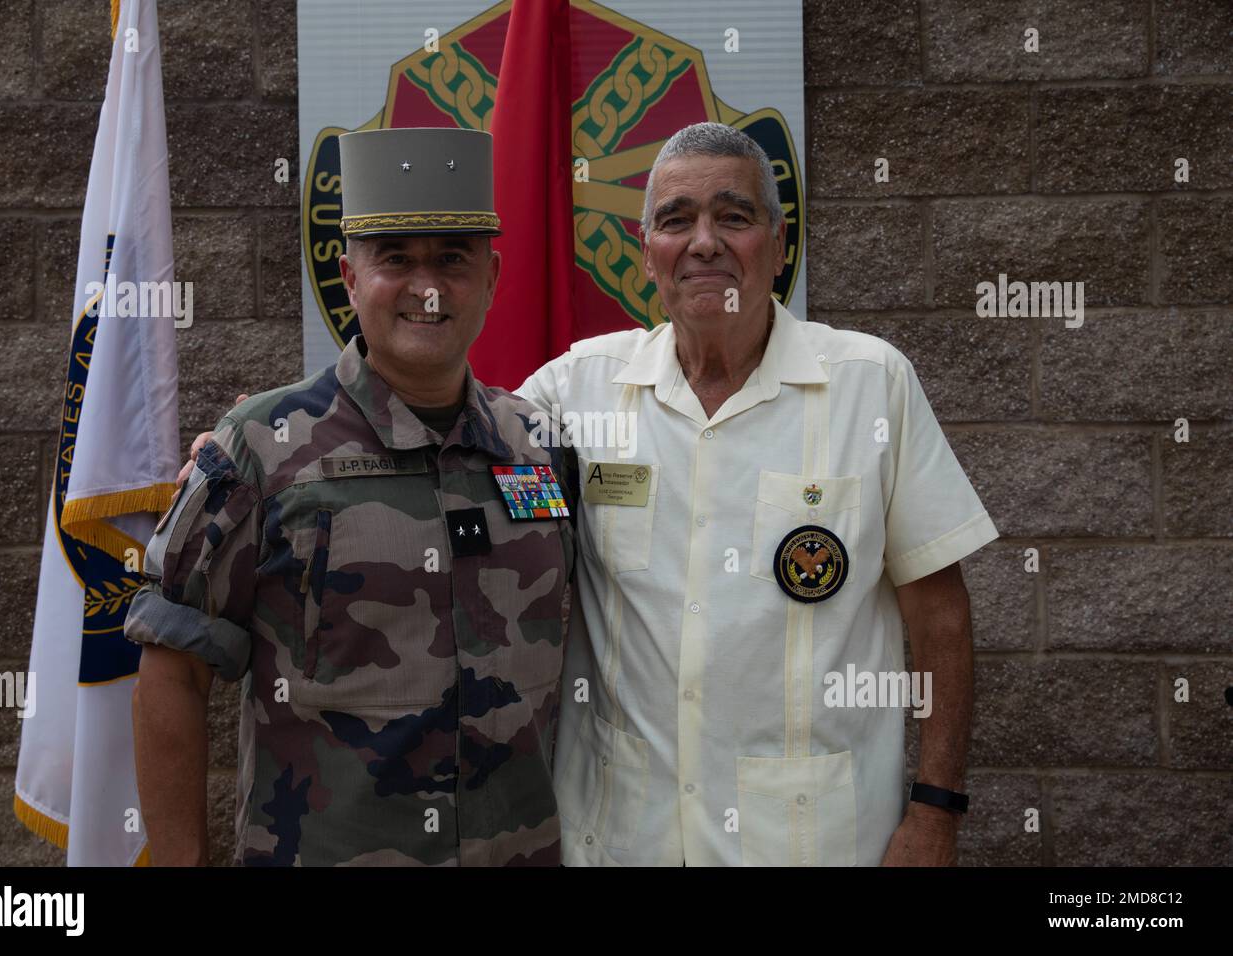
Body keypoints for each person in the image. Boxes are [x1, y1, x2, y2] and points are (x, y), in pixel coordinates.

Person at [184, 121, 998, 867]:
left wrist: (935, 810)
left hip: (816, 842)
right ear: (647, 252)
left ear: (779, 244)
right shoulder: (576, 395)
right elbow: (438, 431)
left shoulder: (869, 384)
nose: (704, 242)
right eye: (677, 220)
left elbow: (941, 615)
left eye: (734, 216)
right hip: (622, 842)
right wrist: (239, 464)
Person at [125, 127, 576, 867]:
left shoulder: (540, 447)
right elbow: (172, 672)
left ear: (493, 278)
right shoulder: (261, 448)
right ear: (349, 276)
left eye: (453, 261)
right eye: (395, 258)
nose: (427, 287)